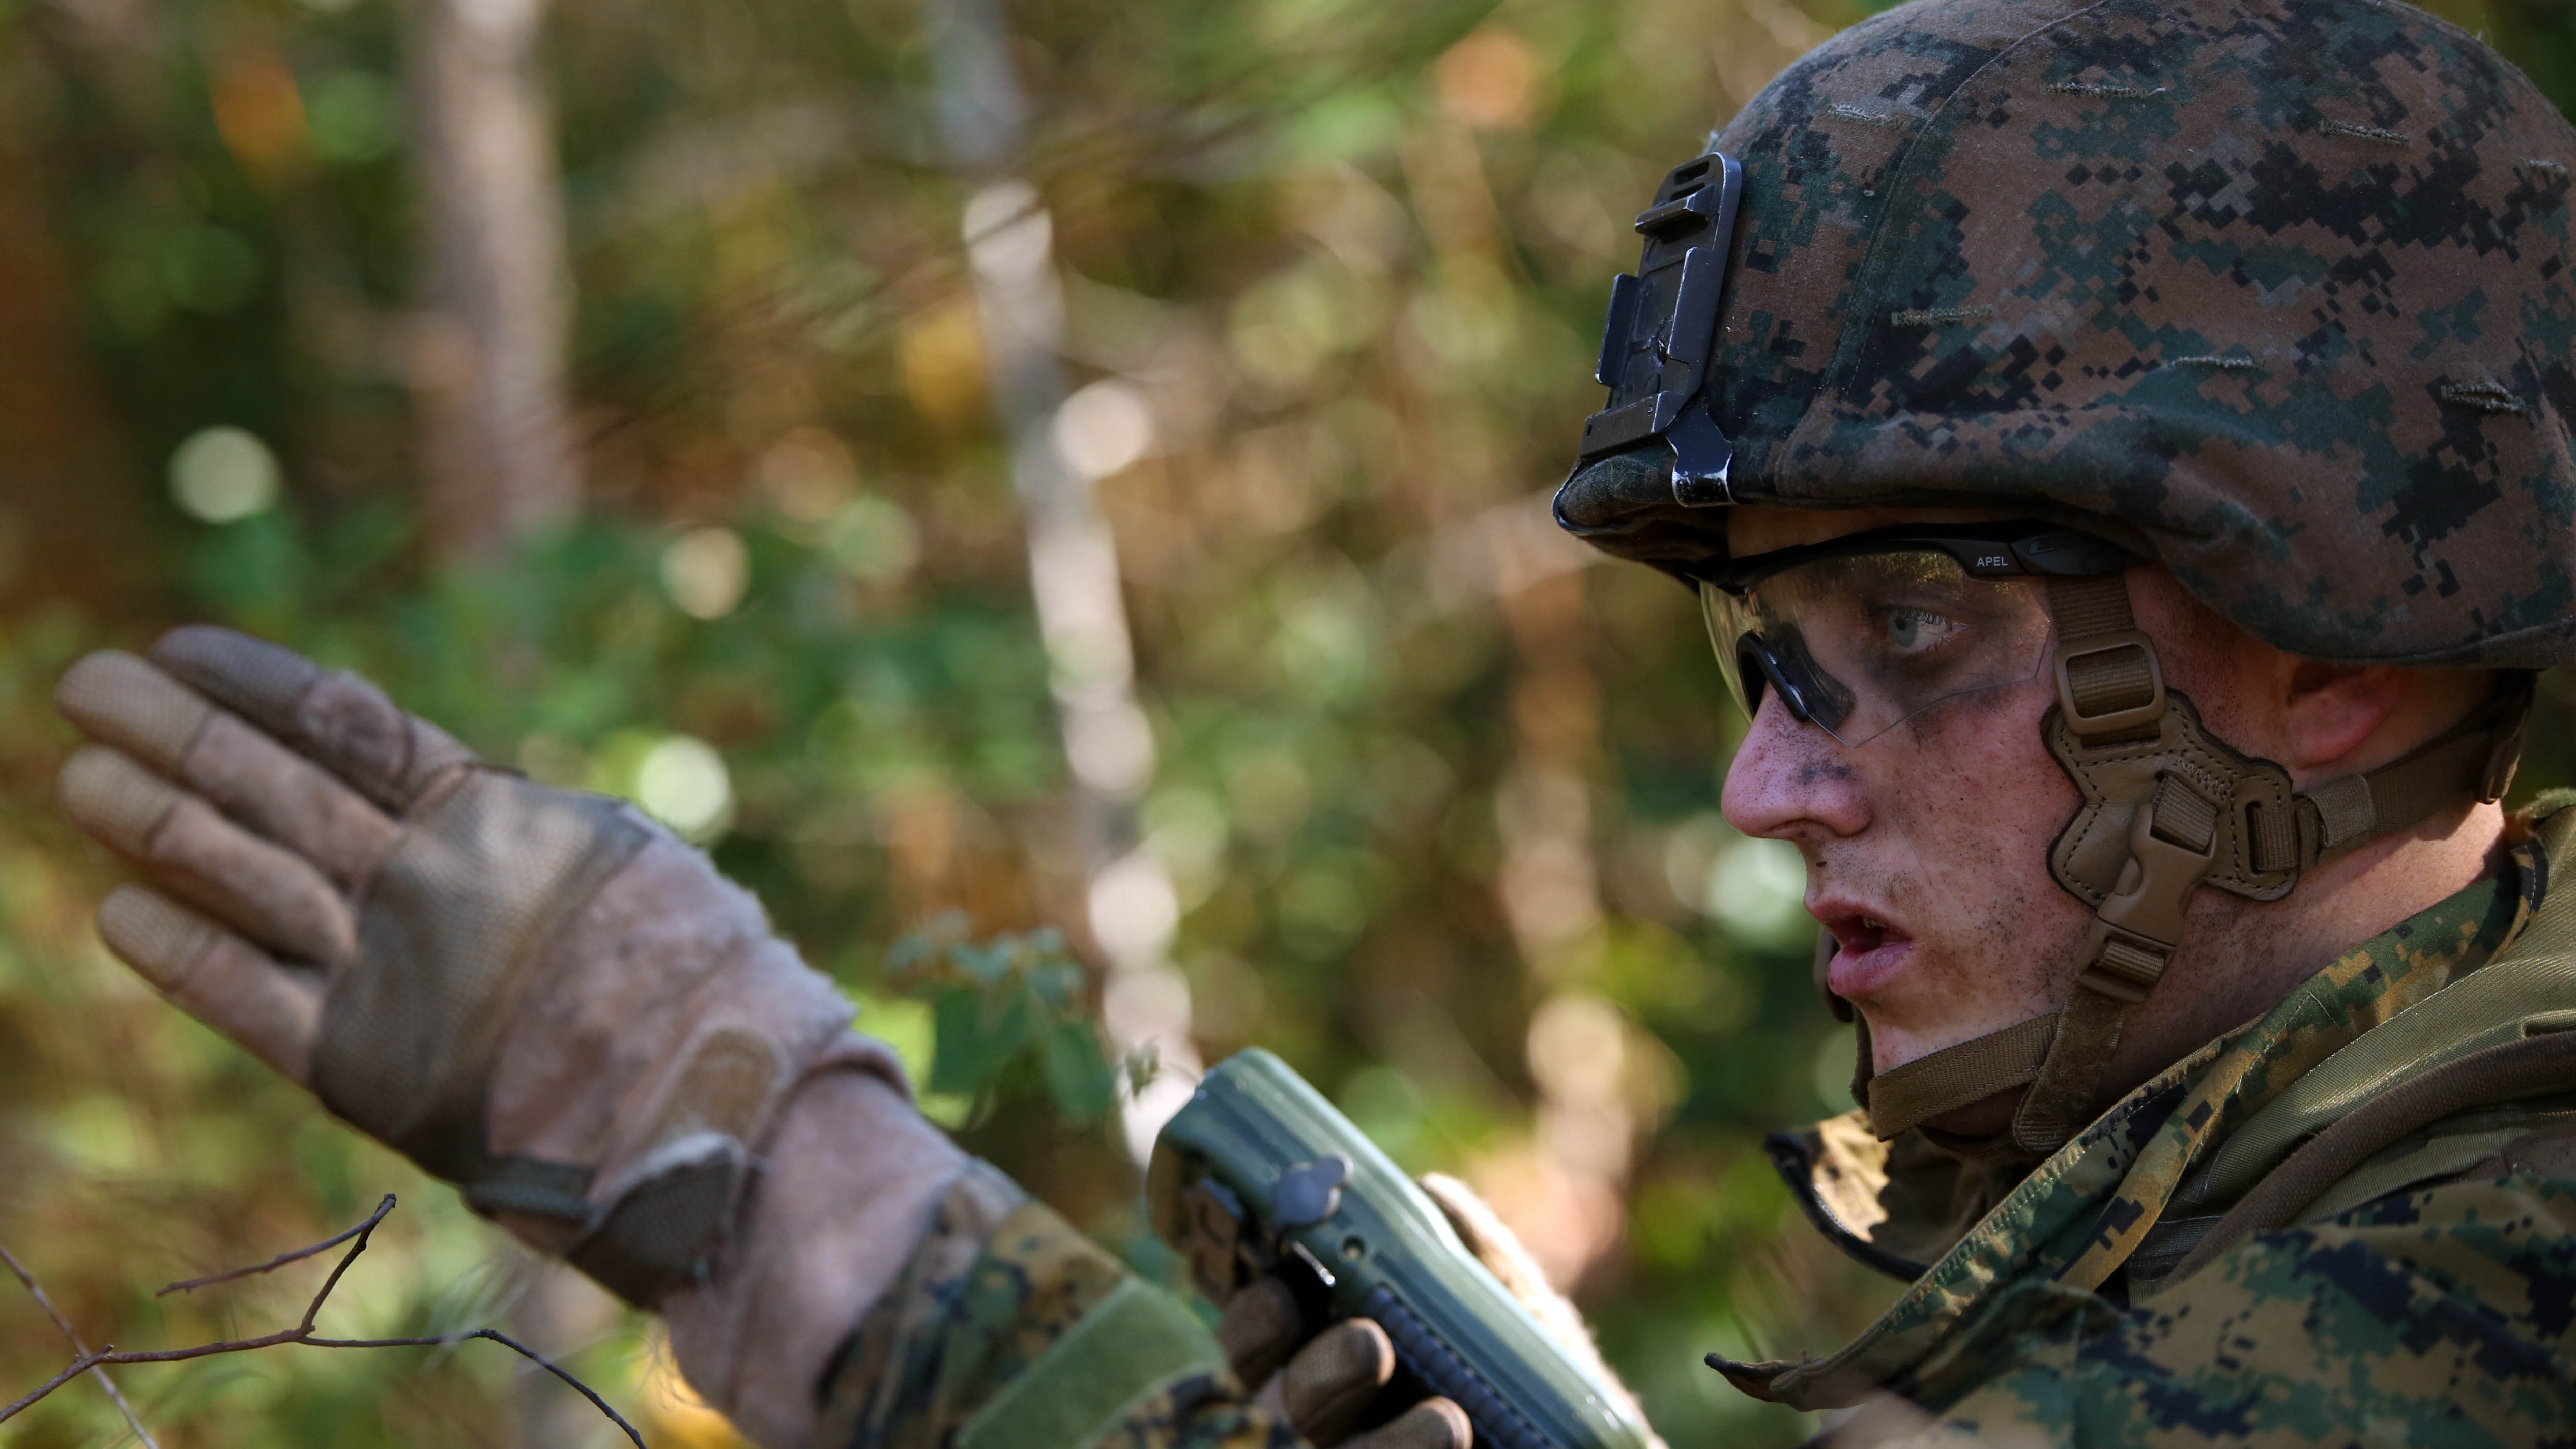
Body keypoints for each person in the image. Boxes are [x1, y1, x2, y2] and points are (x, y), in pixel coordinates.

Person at [44, 0, 2576, 1442]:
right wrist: (743, 1147)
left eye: (1913, 630)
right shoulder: (2245, 1197)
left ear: (2329, 643)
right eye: (1766, 658)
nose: (1765, 782)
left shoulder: (2474, 1286)